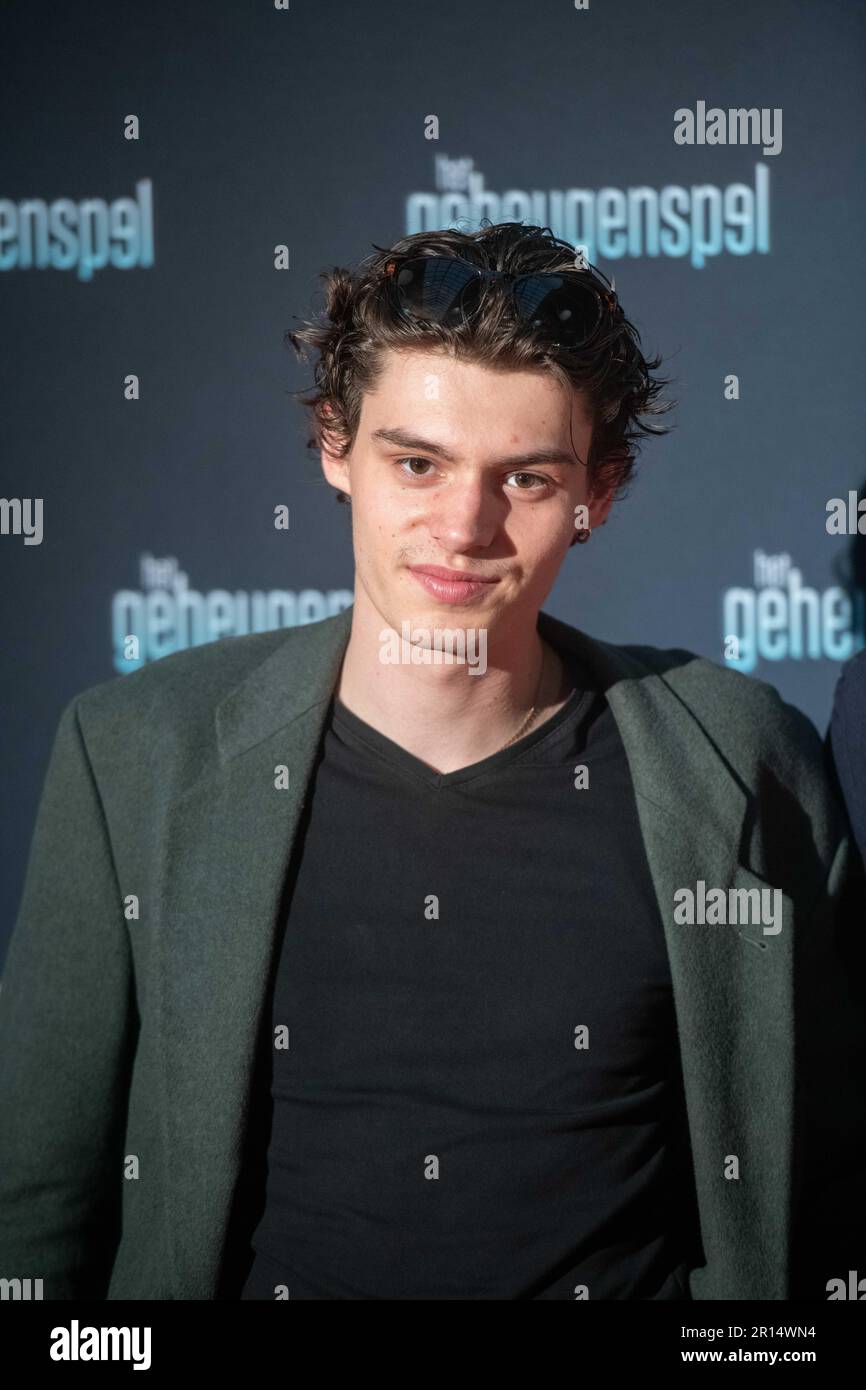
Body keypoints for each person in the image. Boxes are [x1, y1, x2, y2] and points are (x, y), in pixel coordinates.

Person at [0, 222, 862, 1302]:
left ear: (599, 490)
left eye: (528, 479)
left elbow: (826, 1195)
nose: (463, 525)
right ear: (332, 445)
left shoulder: (744, 759)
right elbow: (35, 1206)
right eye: (416, 461)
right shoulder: (134, 755)